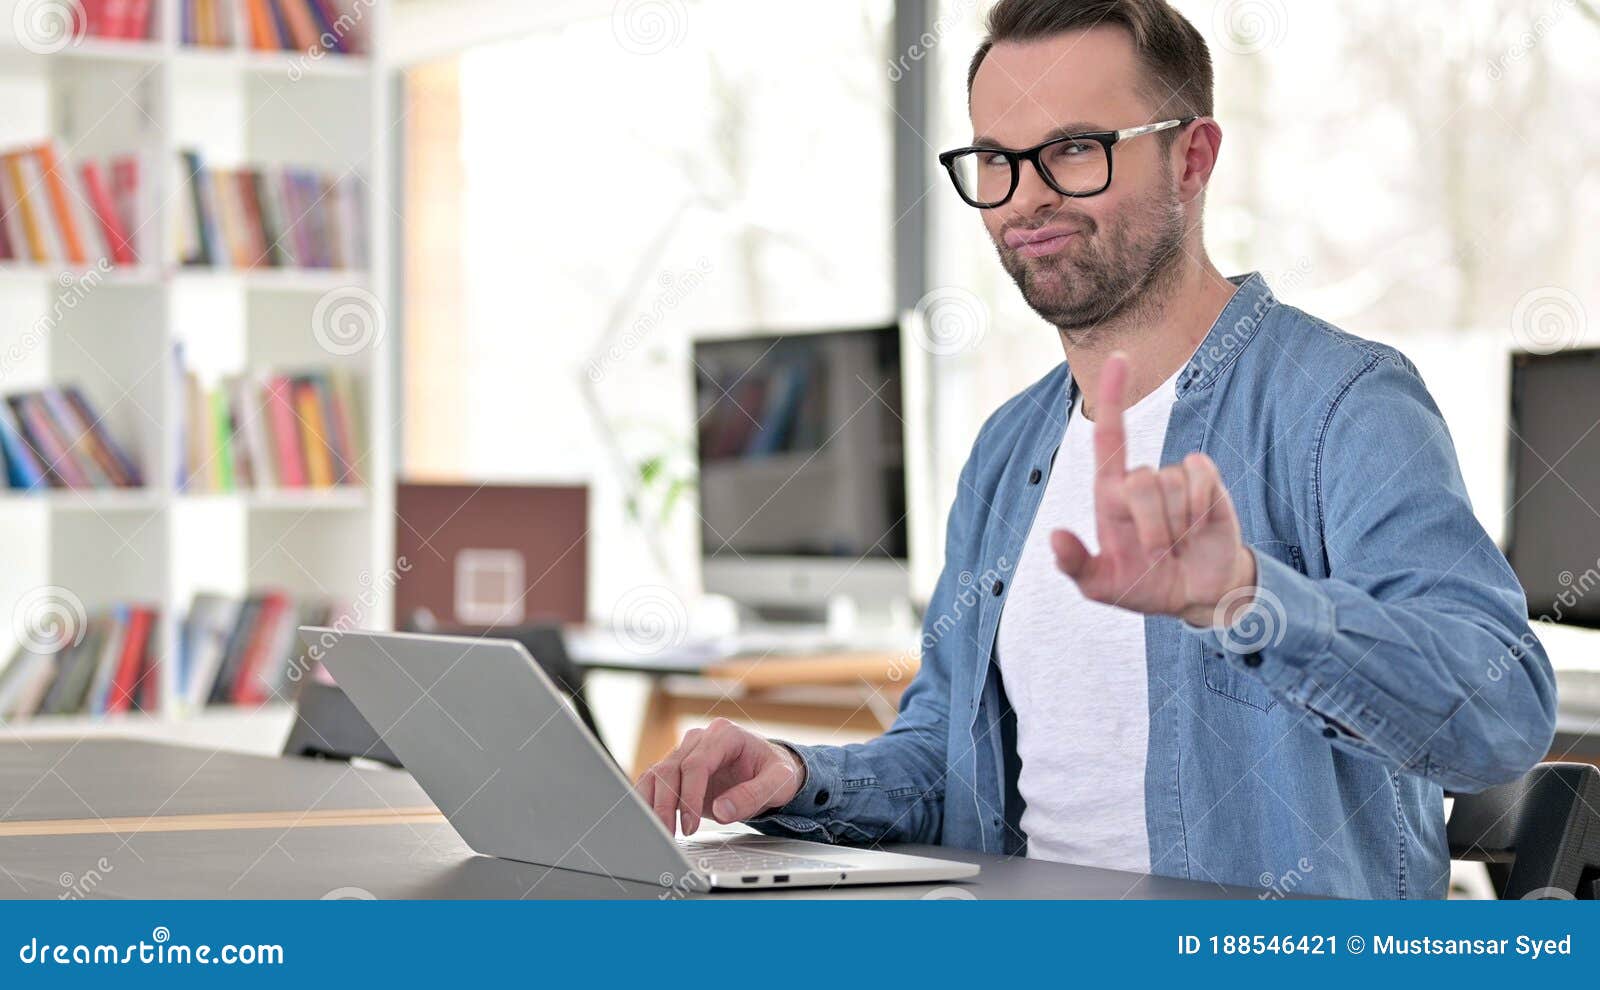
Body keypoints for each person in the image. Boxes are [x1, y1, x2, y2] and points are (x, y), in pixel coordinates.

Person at [634, 0, 1556, 898]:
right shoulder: (1007, 451)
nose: (1026, 197)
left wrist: (1245, 593)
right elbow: (949, 764)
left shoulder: (1343, 404)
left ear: (1191, 157)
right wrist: (795, 776)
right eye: (996, 160)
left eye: (1074, 149)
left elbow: (1501, 718)